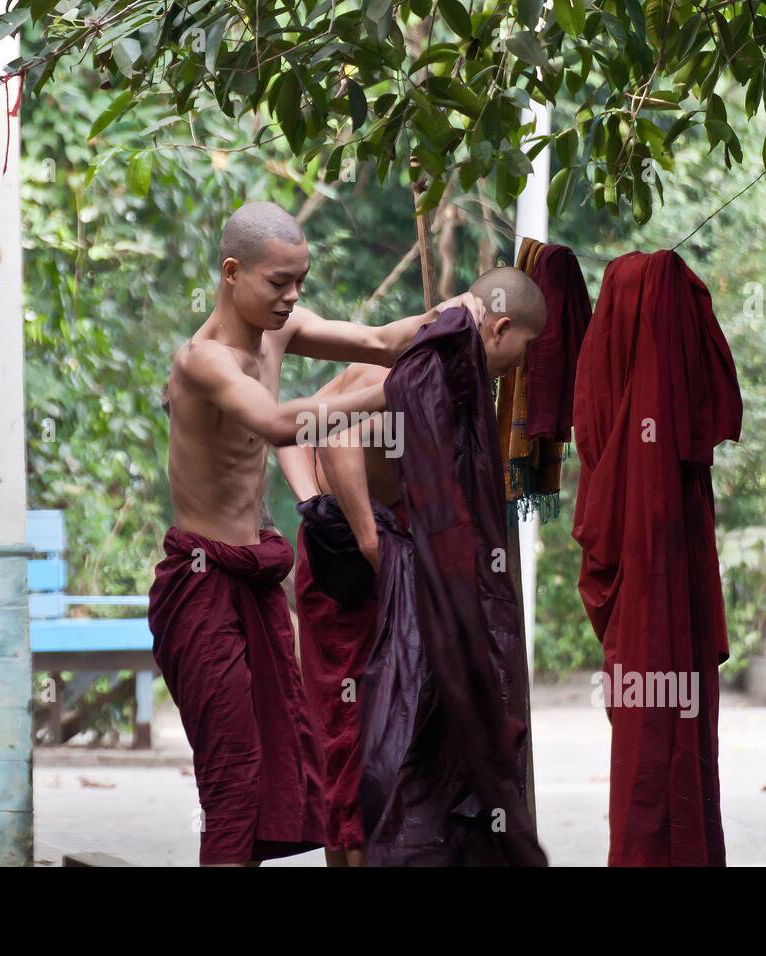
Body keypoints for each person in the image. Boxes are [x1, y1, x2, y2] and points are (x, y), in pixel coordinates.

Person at [147, 201, 485, 867]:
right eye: (278, 282)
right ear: (232, 272)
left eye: (299, 280)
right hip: (202, 587)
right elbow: (277, 426)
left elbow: (381, 342)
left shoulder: (281, 330)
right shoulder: (204, 362)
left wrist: (456, 317)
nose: (291, 295)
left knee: (277, 766)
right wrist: (390, 396)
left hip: (259, 580)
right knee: (234, 773)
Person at [279, 266, 545, 865]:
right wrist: (354, 531)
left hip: (395, 556)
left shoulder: (457, 373)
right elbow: (331, 430)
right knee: (355, 737)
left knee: (408, 733)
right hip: (352, 564)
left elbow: (304, 420)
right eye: (522, 350)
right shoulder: (418, 357)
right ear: (499, 328)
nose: (517, 368)